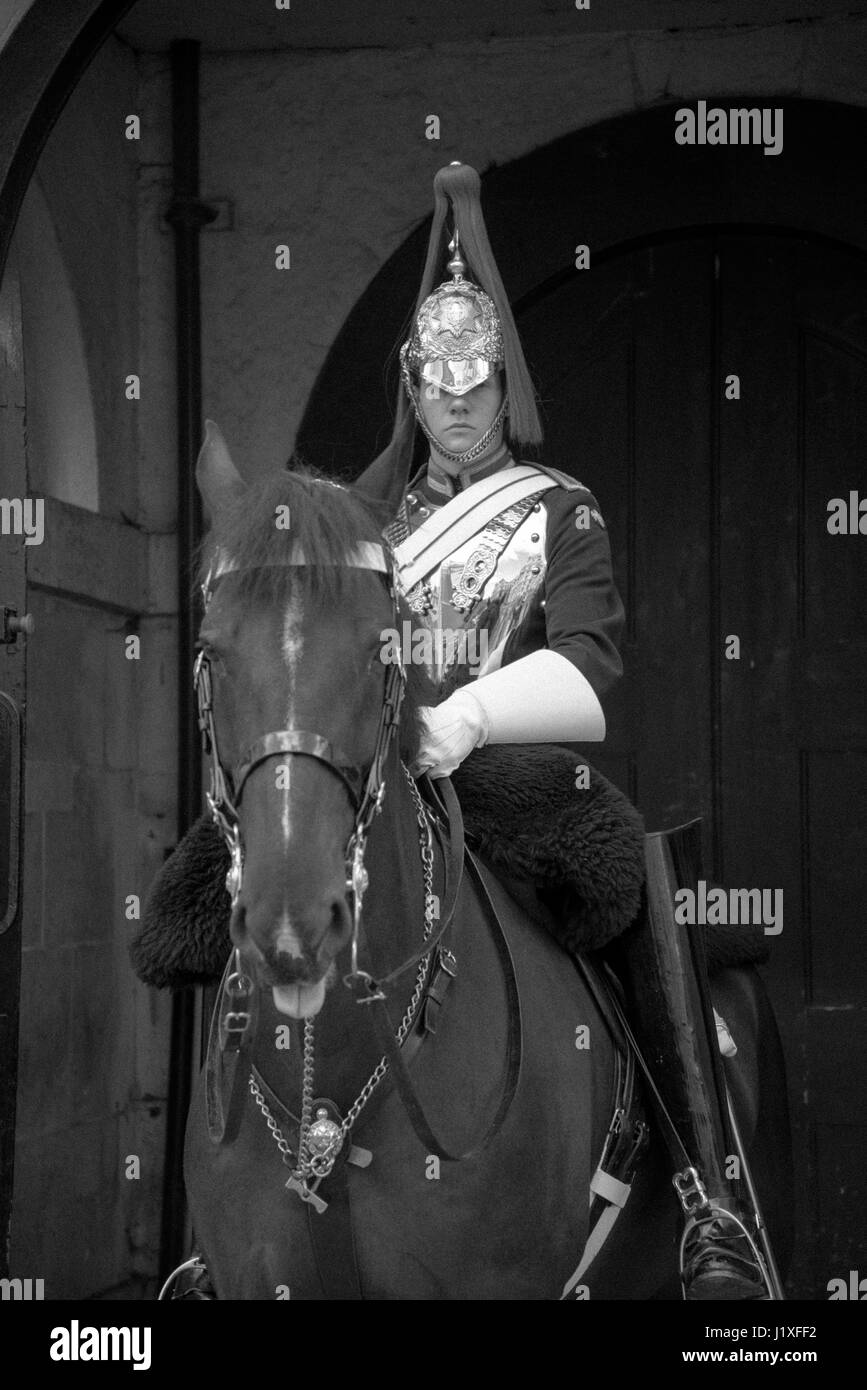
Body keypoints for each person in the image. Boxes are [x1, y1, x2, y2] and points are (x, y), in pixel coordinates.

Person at [356, 161, 772, 1301]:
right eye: (432, 378)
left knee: (627, 858)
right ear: (412, 384)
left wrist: (471, 716)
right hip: (386, 788)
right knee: (227, 867)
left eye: (473, 378)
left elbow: (588, 674)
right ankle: (214, 1213)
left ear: (502, 386)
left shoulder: (557, 507)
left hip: (510, 776)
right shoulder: (368, 524)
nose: (453, 399)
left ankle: (706, 1204)